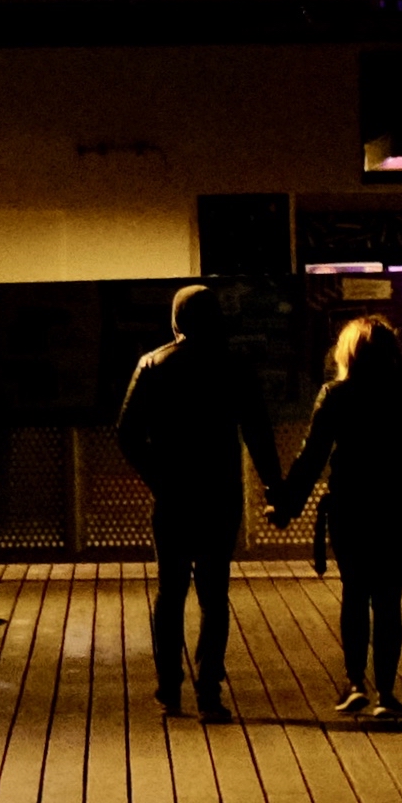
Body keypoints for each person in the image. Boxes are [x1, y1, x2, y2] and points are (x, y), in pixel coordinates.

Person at [114, 283, 279, 720]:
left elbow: (126, 433)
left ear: (177, 319)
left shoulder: (152, 364)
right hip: (219, 493)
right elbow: (258, 433)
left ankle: (169, 688)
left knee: (170, 593)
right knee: (213, 594)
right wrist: (274, 487)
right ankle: (209, 692)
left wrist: (157, 478)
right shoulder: (234, 367)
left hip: (173, 495)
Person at [275, 315, 402, 717]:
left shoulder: (336, 394)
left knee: (355, 593)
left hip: (352, 508)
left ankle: (354, 683)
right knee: (388, 600)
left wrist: (287, 506)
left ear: (348, 353)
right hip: (399, 506)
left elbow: (312, 457)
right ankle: (387, 693)